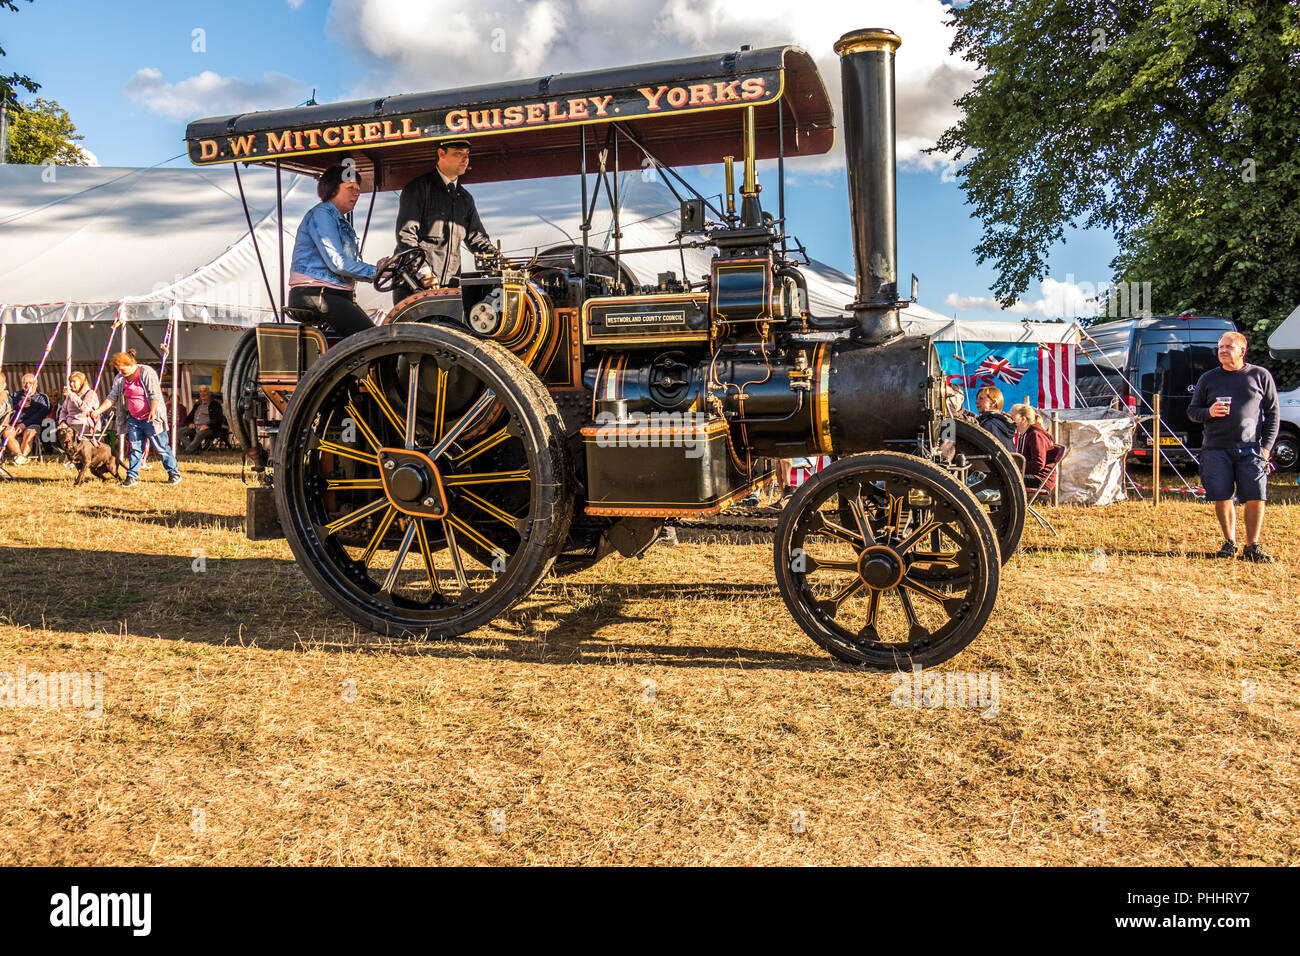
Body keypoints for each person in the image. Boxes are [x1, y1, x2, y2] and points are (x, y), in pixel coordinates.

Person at [1186, 331, 1279, 562]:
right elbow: (1192, 411)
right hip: (1216, 448)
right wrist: (1209, 412)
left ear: (1242, 350)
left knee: (1256, 496)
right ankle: (1229, 543)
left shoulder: (1259, 375)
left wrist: (1266, 447)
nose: (1223, 351)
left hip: (1251, 449)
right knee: (1222, 495)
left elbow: (1273, 413)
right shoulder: (1208, 378)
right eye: (1220, 347)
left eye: (1228, 346)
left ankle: (1252, 546)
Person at [287, 164, 389, 337]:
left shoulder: (340, 221)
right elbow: (338, 264)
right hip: (317, 293)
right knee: (375, 339)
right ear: (333, 189)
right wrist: (376, 272)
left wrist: (381, 270)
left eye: (358, 189)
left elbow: (348, 266)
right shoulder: (322, 215)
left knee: (375, 338)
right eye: (350, 188)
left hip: (335, 294)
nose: (356, 193)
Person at [392, 138, 497, 304]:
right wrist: (423, 271)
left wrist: (498, 260)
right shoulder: (418, 188)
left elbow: (477, 238)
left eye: (467, 155)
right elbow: (406, 235)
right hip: (414, 287)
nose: (465, 159)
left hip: (451, 287)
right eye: (458, 154)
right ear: (441, 153)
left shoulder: (465, 199)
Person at [89, 350, 182, 487]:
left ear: (130, 363)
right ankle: (132, 476)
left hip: (151, 419)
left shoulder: (146, 372)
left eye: (122, 368)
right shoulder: (120, 379)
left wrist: (152, 411)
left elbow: (154, 394)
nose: (121, 372)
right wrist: (97, 411)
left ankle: (174, 474)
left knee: (161, 447)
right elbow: (112, 397)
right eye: (118, 369)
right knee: (135, 448)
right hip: (133, 418)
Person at [2, 373, 52, 464]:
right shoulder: (14, 395)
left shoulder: (42, 398)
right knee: (6, 433)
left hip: (32, 424)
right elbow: (7, 409)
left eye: (30, 383)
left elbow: (41, 414)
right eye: (25, 383)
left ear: (36, 384)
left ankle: (19, 458)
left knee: (29, 433)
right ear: (21, 384)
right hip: (14, 424)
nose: (27, 385)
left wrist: (24, 425)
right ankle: (20, 457)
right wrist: (18, 405)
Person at [1009, 403, 1058, 492]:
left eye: (1012, 417)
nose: (1009, 420)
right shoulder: (1025, 434)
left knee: (1006, 479)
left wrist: (1018, 468)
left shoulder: (1036, 435)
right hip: (1034, 476)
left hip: (1040, 479)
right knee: (1004, 476)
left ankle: (1010, 505)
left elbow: (1038, 464)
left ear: (1022, 419)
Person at [179, 384, 226, 453]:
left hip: (210, 429)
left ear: (209, 393)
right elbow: (189, 418)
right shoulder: (197, 405)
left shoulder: (215, 404)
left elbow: (218, 419)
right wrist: (190, 423)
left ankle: (188, 450)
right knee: (179, 432)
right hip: (195, 428)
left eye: (205, 391)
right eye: (201, 392)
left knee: (201, 434)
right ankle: (193, 449)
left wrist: (208, 425)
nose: (202, 393)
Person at [975, 385, 1017, 455]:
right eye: (977, 399)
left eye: (981, 398)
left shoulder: (989, 424)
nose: (976, 402)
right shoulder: (1005, 423)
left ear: (993, 403)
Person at [57, 371, 100, 435]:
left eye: (74, 381)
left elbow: (85, 409)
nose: (71, 384)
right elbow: (63, 411)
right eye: (70, 381)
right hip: (70, 425)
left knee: (70, 434)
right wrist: (62, 422)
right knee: (53, 437)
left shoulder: (90, 393)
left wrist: (72, 395)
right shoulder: (71, 396)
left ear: (81, 383)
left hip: (85, 425)